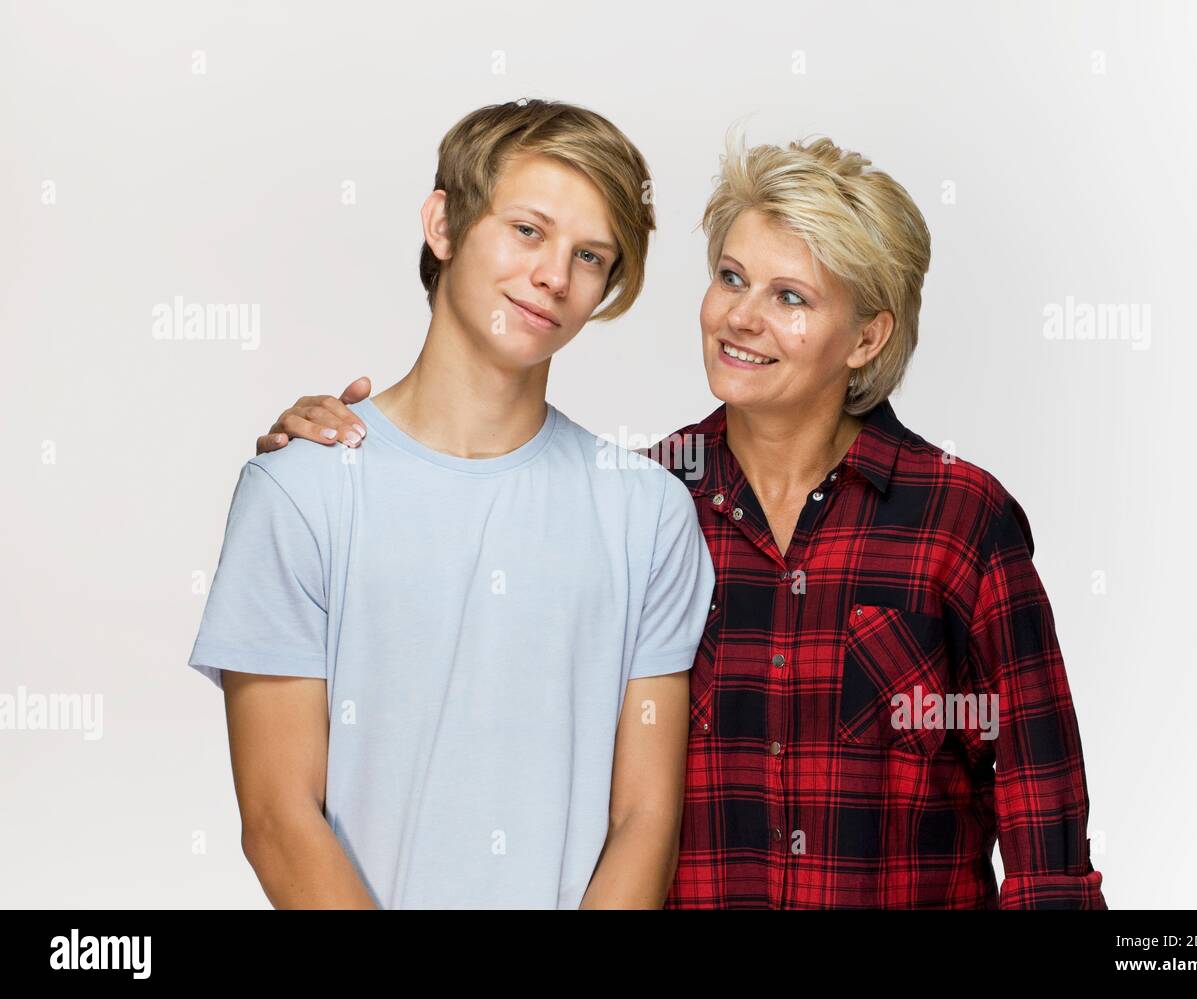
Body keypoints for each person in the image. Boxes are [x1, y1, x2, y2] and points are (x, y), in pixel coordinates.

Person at [255, 131, 1107, 909]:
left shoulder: (959, 520)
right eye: (731, 278)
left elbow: (1045, 834)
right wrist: (338, 461)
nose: (741, 316)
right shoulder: (643, 504)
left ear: (866, 337)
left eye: (790, 296)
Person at [188, 99, 715, 909]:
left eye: (590, 256)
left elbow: (645, 817)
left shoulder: (647, 514)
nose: (552, 276)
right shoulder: (300, 490)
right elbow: (277, 816)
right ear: (442, 223)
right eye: (528, 230)